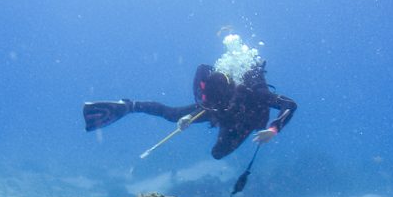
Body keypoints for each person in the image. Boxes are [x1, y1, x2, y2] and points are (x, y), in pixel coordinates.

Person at [83, 61, 297, 159]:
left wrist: (273, 129)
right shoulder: (211, 101)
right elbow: (171, 113)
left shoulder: (252, 93)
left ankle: (132, 106)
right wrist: (190, 117)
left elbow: (290, 104)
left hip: (248, 122)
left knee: (218, 153)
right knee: (175, 116)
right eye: (207, 104)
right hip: (228, 118)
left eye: (214, 104)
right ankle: (130, 105)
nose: (209, 108)